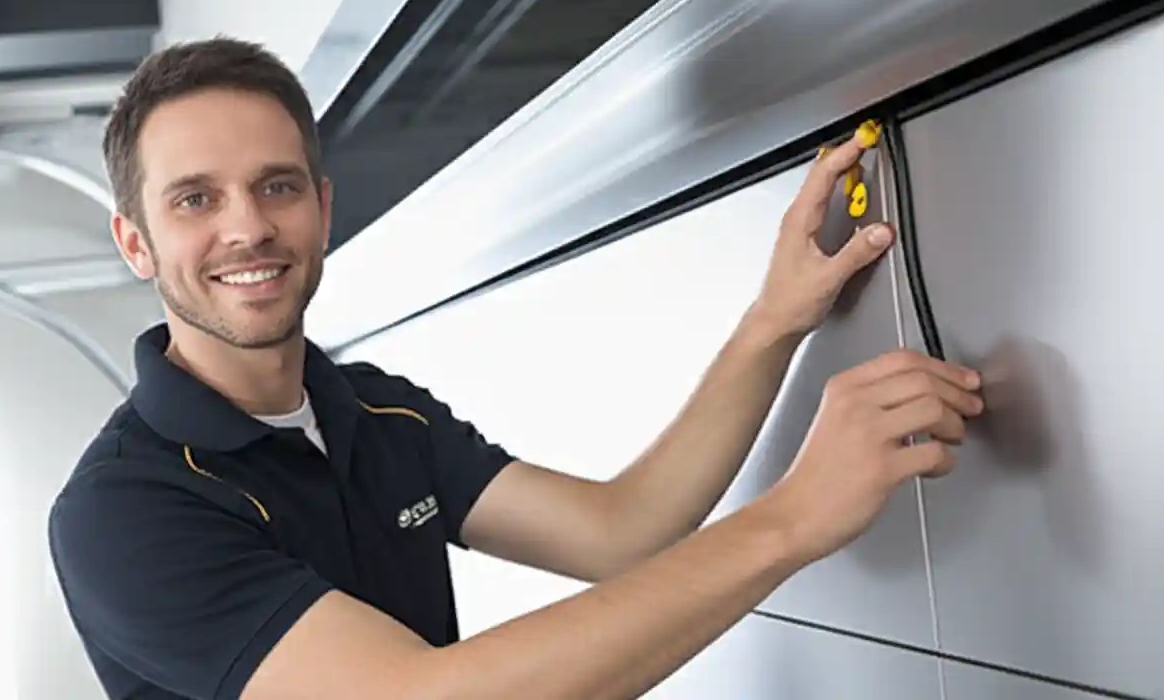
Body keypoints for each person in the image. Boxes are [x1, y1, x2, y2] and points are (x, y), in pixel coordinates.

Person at [48, 37, 983, 700]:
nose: (247, 225)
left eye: (277, 185)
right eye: (195, 199)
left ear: (322, 208)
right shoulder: (124, 509)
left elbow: (623, 532)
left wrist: (775, 320)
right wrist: (793, 516)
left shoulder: (377, 414)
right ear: (135, 241)